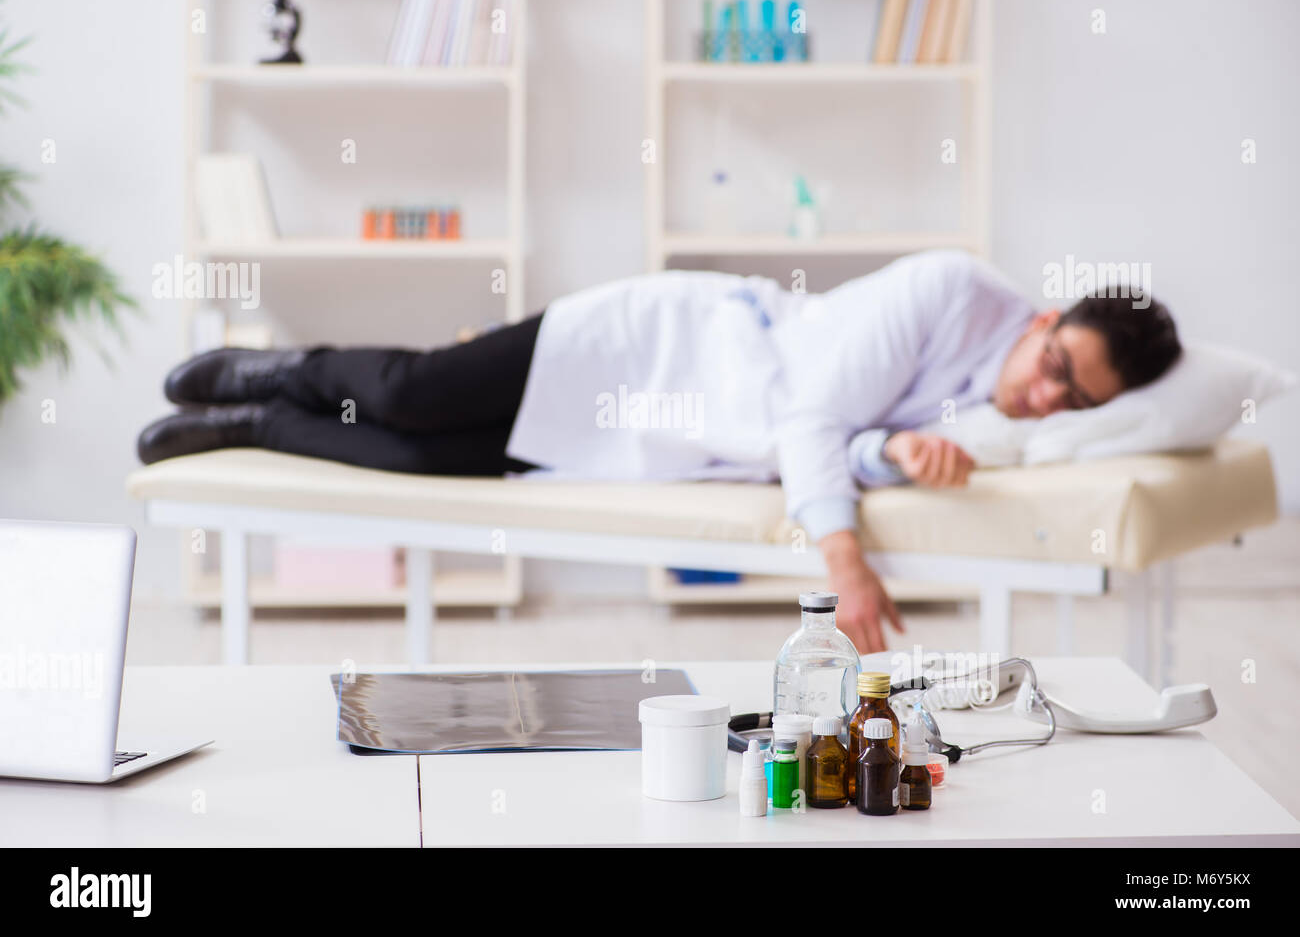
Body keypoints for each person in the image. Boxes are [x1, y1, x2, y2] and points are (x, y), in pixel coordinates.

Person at [138, 250, 1181, 652]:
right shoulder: (949, 291)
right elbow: (813, 423)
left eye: (1072, 399)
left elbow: (848, 443)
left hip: (676, 434)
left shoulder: (1009, 426)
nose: (1043, 396)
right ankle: (274, 370)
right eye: (1055, 364)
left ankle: (256, 429)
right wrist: (844, 560)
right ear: (1045, 317)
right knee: (412, 392)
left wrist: (894, 459)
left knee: (420, 462)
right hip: (658, 345)